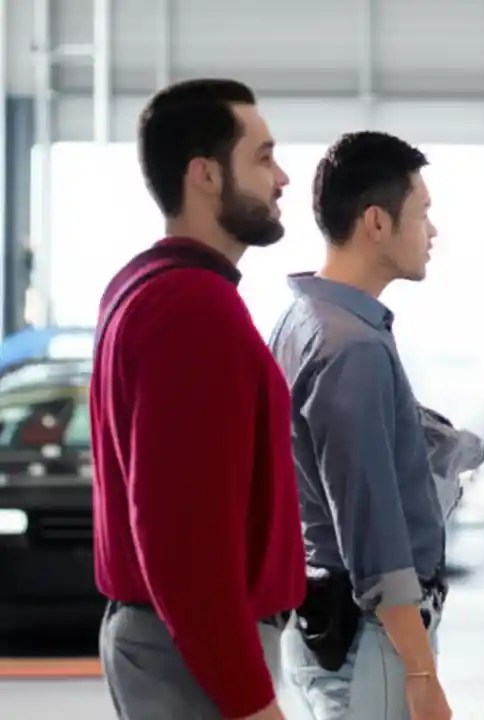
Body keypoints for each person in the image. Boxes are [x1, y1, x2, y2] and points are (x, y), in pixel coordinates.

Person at [90, 78, 303, 720]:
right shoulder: (193, 309)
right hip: (193, 656)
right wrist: (251, 702)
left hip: (172, 643)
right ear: (206, 175)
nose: (283, 177)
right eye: (263, 157)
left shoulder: (142, 285)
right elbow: (184, 542)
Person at [269, 130, 452, 720]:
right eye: (422, 212)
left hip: (329, 626)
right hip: (371, 641)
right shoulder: (352, 348)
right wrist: (421, 672)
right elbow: (371, 524)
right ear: (377, 221)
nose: (432, 231)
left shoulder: (302, 322)